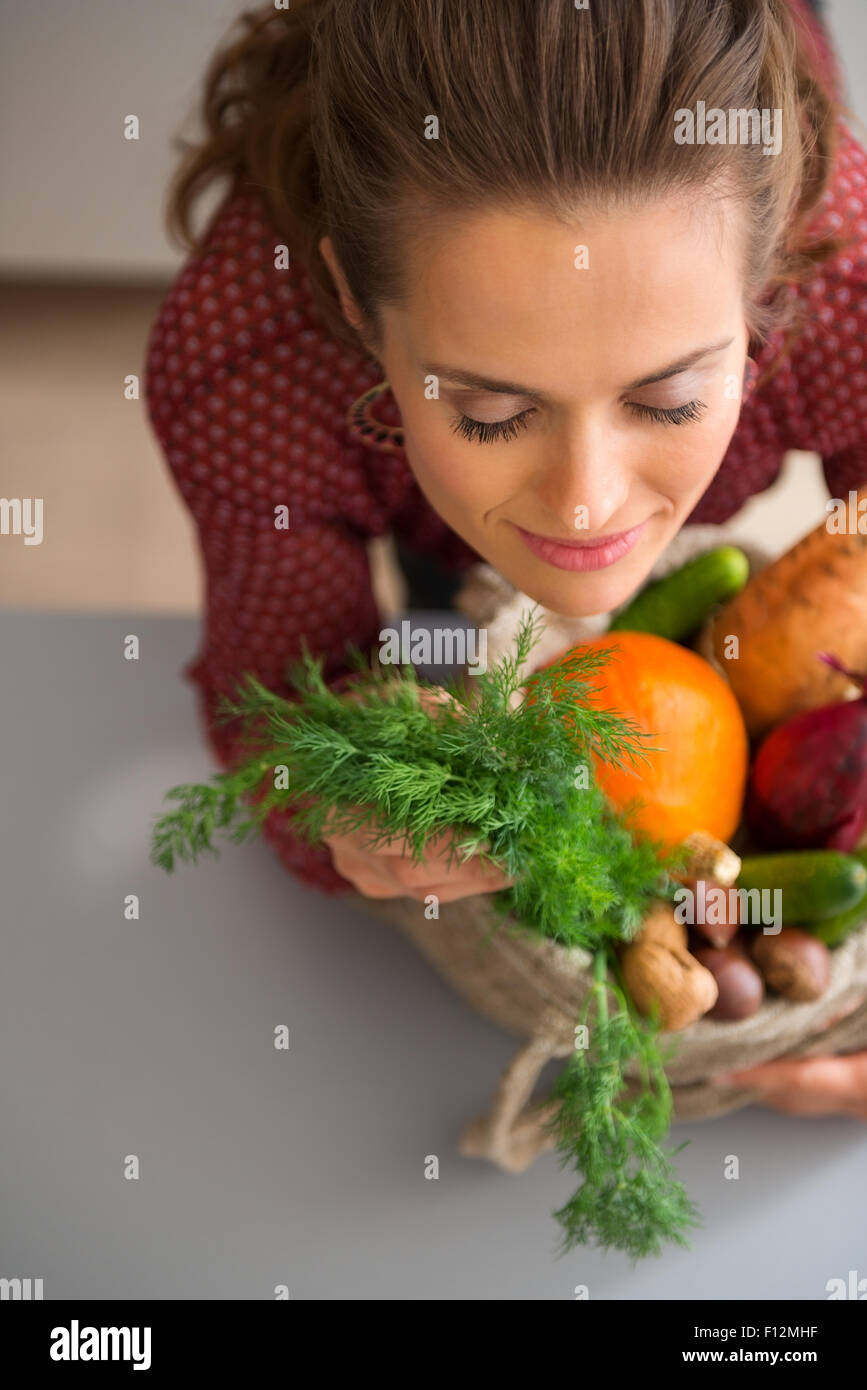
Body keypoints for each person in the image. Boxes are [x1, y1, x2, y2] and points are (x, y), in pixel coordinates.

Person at [144, 0, 867, 1116]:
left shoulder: (845, 272)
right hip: (421, 549)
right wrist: (344, 797)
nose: (587, 507)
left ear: (773, 286)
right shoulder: (254, 359)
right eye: (486, 411)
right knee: (445, 617)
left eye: (669, 397)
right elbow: (277, 709)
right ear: (351, 300)